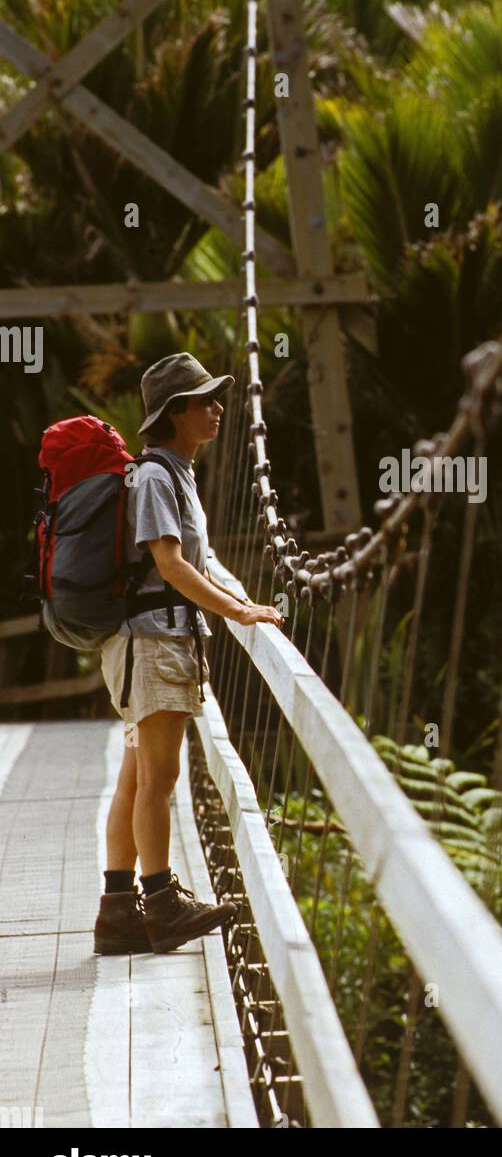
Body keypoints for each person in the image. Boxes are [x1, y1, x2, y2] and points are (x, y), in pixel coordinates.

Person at [93, 352, 283, 955]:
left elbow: (185, 564)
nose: (218, 409)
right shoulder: (156, 476)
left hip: (154, 640)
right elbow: (171, 565)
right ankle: (164, 902)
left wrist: (226, 601)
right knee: (160, 778)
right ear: (174, 413)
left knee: (137, 778)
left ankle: (119, 912)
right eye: (204, 401)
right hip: (153, 642)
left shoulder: (175, 471)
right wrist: (239, 609)